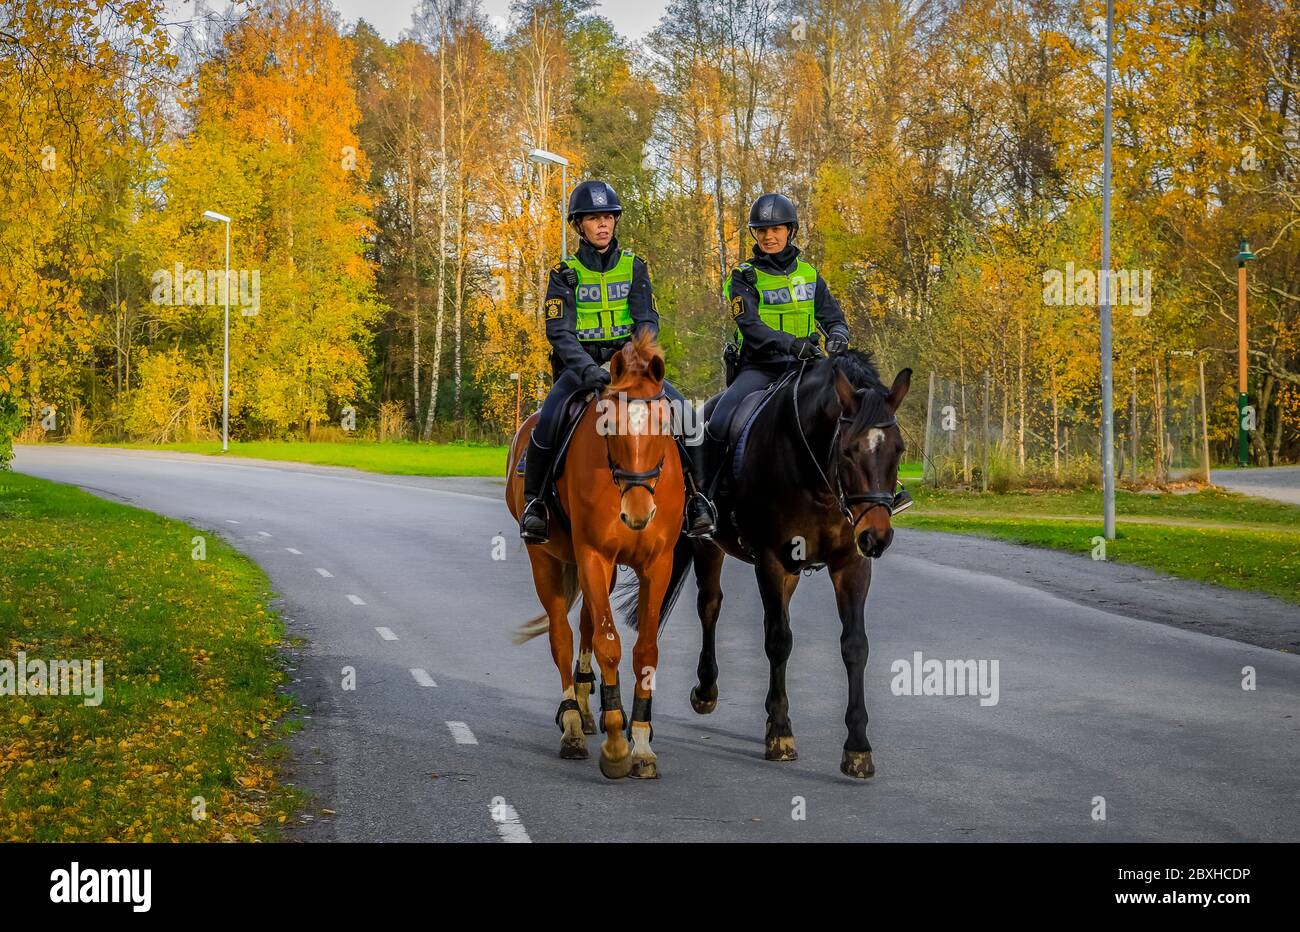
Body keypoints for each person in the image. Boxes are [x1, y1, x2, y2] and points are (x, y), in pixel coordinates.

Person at [519, 179, 717, 544]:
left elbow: (646, 321)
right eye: (594, 219)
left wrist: (636, 362)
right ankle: (536, 505)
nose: (603, 224)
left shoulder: (634, 267)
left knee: (688, 418)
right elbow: (559, 331)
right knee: (547, 421)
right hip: (583, 370)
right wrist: (587, 370)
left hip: (629, 368)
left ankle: (698, 500)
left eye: (608, 217)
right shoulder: (563, 273)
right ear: (580, 225)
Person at [705, 193, 851, 467]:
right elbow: (750, 326)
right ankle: (707, 496)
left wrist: (839, 336)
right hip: (761, 368)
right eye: (762, 230)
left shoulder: (809, 274)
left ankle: (884, 487)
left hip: (808, 366)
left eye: (776, 229)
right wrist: (790, 344)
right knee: (719, 421)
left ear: (790, 231)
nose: (768, 236)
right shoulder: (743, 276)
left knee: (861, 404)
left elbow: (833, 318)